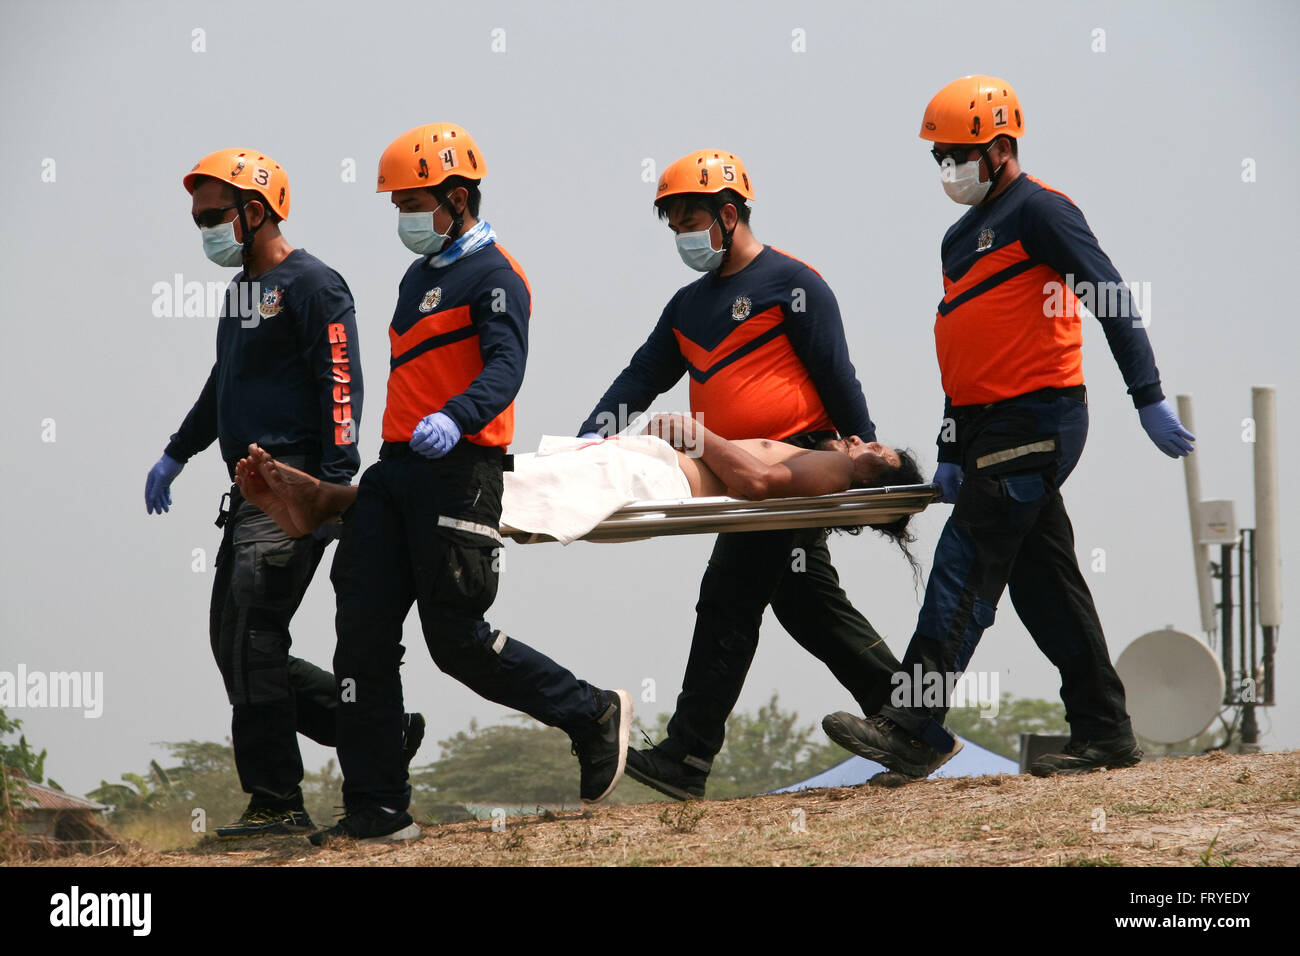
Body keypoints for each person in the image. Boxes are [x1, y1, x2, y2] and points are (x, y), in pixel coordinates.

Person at [822, 75, 1196, 780]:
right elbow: (962, 347)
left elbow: (1112, 296)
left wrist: (1146, 395)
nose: (947, 168)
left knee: (964, 562)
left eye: (958, 155)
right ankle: (1105, 730)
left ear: (999, 147)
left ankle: (910, 722)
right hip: (982, 428)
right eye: (938, 157)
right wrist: (949, 444)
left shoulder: (1042, 211)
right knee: (1043, 581)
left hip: (1038, 415)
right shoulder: (957, 240)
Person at [311, 124, 631, 845]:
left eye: (412, 203)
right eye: (397, 204)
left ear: (456, 198)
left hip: (459, 471)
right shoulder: (416, 278)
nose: (403, 217)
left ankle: (590, 713)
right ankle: (378, 808)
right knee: (360, 639)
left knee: (454, 640)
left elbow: (505, 369)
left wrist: (455, 419)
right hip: (393, 471)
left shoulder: (497, 276)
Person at [575, 150, 914, 800]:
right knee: (806, 603)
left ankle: (688, 755)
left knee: (729, 599)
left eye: (691, 220)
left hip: (790, 467)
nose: (682, 235)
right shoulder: (686, 307)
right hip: (737, 472)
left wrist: (859, 462)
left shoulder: (795, 283)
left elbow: (838, 376)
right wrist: (590, 437)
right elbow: (641, 377)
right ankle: (912, 722)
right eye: (674, 224)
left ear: (729, 215)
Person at [143, 149, 423, 837]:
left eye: (213, 216)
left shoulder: (313, 284)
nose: (205, 230)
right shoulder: (240, 292)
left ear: (255, 211)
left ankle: (276, 801)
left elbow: (340, 379)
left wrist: (332, 486)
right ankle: (375, 729)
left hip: (293, 483)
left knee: (253, 635)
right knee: (233, 640)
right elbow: (224, 384)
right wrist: (178, 452)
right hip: (249, 493)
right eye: (198, 219)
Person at [229, 418, 925, 547]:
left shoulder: (840, 472)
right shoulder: (833, 468)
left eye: (878, 450)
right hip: (639, 470)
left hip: (647, 476)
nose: (864, 441)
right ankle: (336, 507)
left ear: (878, 478)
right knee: (496, 488)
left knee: (486, 490)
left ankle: (332, 502)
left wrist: (693, 432)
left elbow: (760, 483)